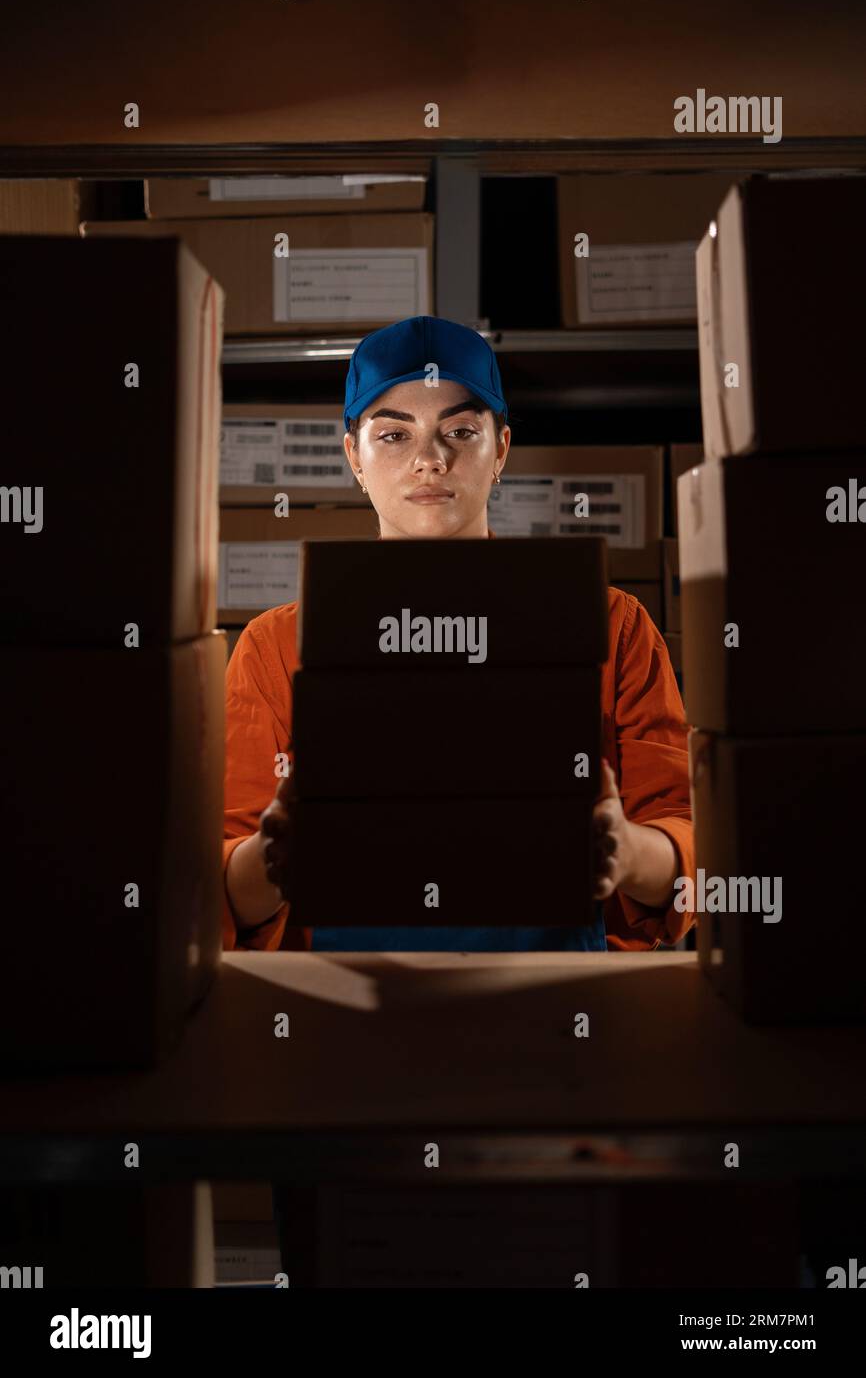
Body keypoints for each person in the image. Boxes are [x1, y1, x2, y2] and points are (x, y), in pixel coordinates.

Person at [222, 315, 695, 956]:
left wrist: (627, 849)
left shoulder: (612, 624)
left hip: (561, 1007)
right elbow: (229, 890)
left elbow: (682, 842)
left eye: (461, 431)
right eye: (393, 434)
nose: (430, 459)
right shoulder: (274, 648)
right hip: (346, 1011)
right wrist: (275, 858)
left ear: (499, 449)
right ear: (352, 457)